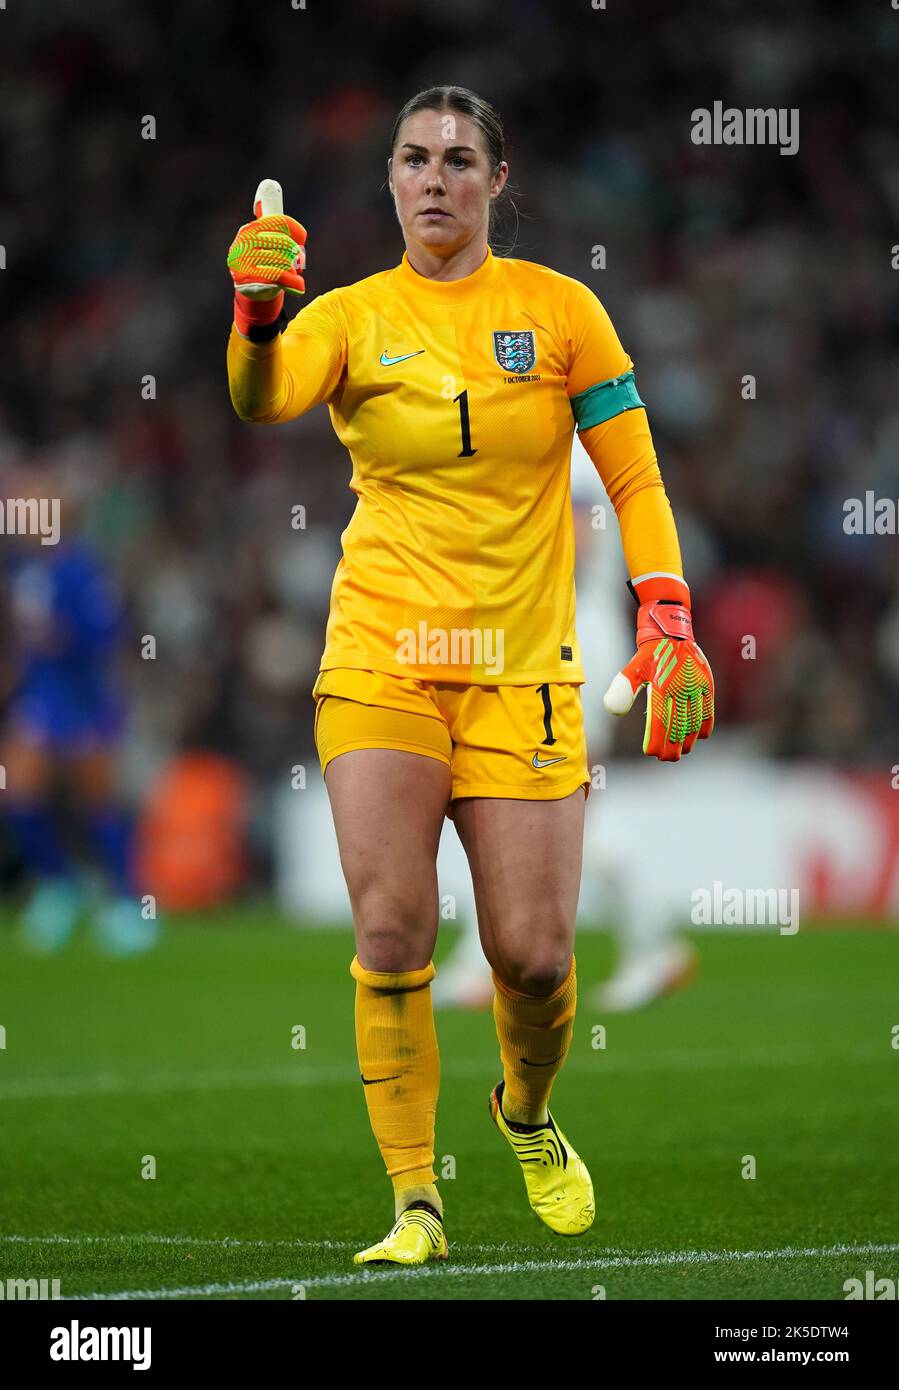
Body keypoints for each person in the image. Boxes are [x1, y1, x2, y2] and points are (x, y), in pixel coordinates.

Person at [226, 85, 714, 1267]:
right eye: (411, 158)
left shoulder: (560, 313)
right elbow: (263, 398)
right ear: (389, 182)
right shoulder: (345, 316)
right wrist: (250, 319)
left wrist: (666, 611)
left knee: (535, 956)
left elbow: (636, 481)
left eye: (456, 159)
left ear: (498, 182)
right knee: (392, 928)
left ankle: (526, 1113)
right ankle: (413, 1207)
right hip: (383, 654)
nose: (433, 178)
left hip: (523, 669)